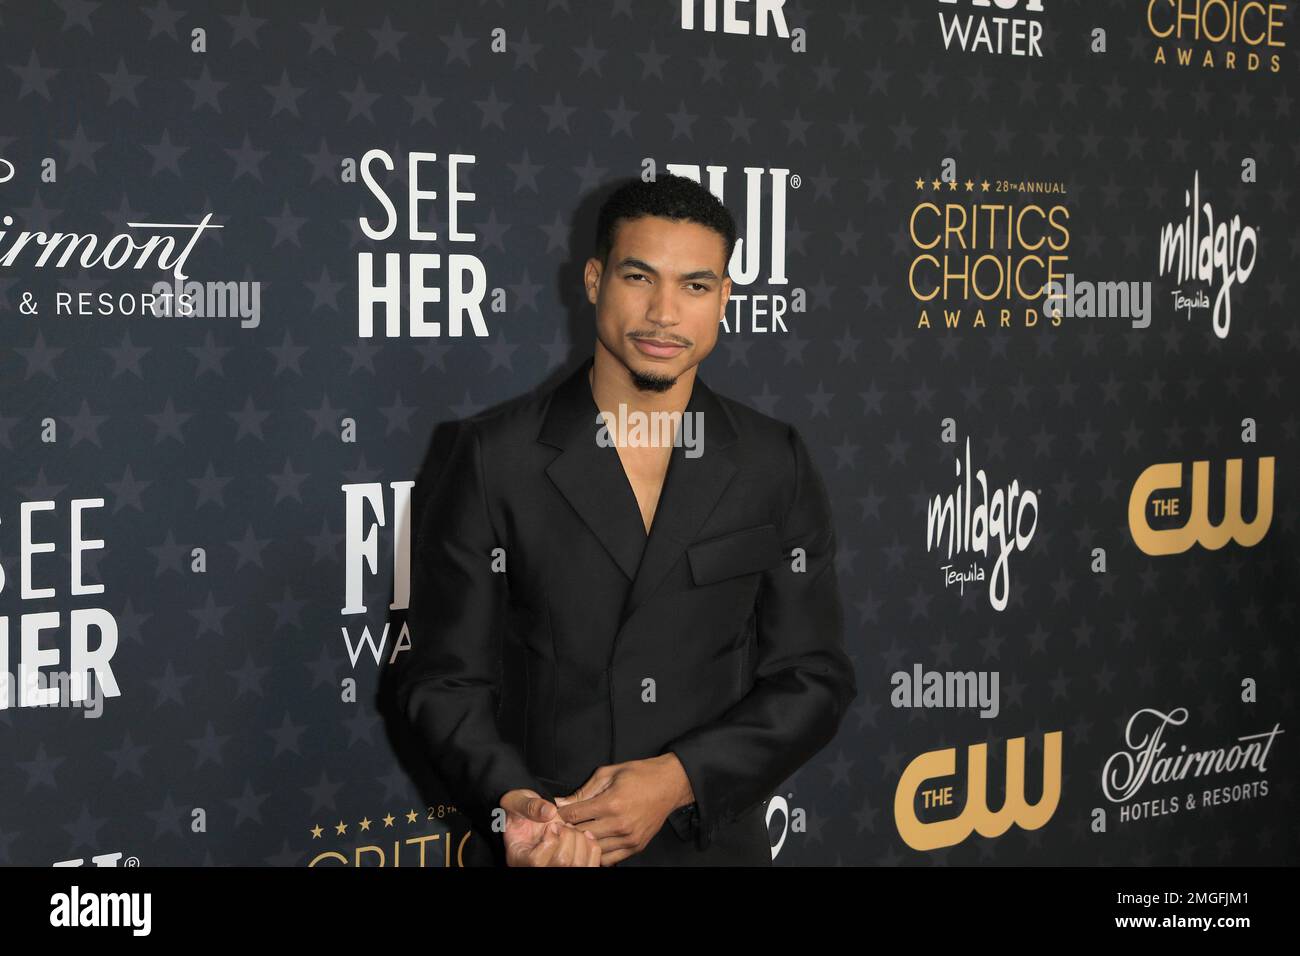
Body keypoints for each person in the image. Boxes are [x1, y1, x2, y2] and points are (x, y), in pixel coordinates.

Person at [396, 173, 857, 866]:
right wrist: (514, 803)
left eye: (696, 286)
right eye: (639, 276)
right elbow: (443, 681)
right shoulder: (497, 458)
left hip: (712, 845)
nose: (664, 313)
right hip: (555, 845)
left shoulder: (773, 460)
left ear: (724, 299)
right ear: (592, 280)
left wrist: (678, 780)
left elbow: (813, 677)